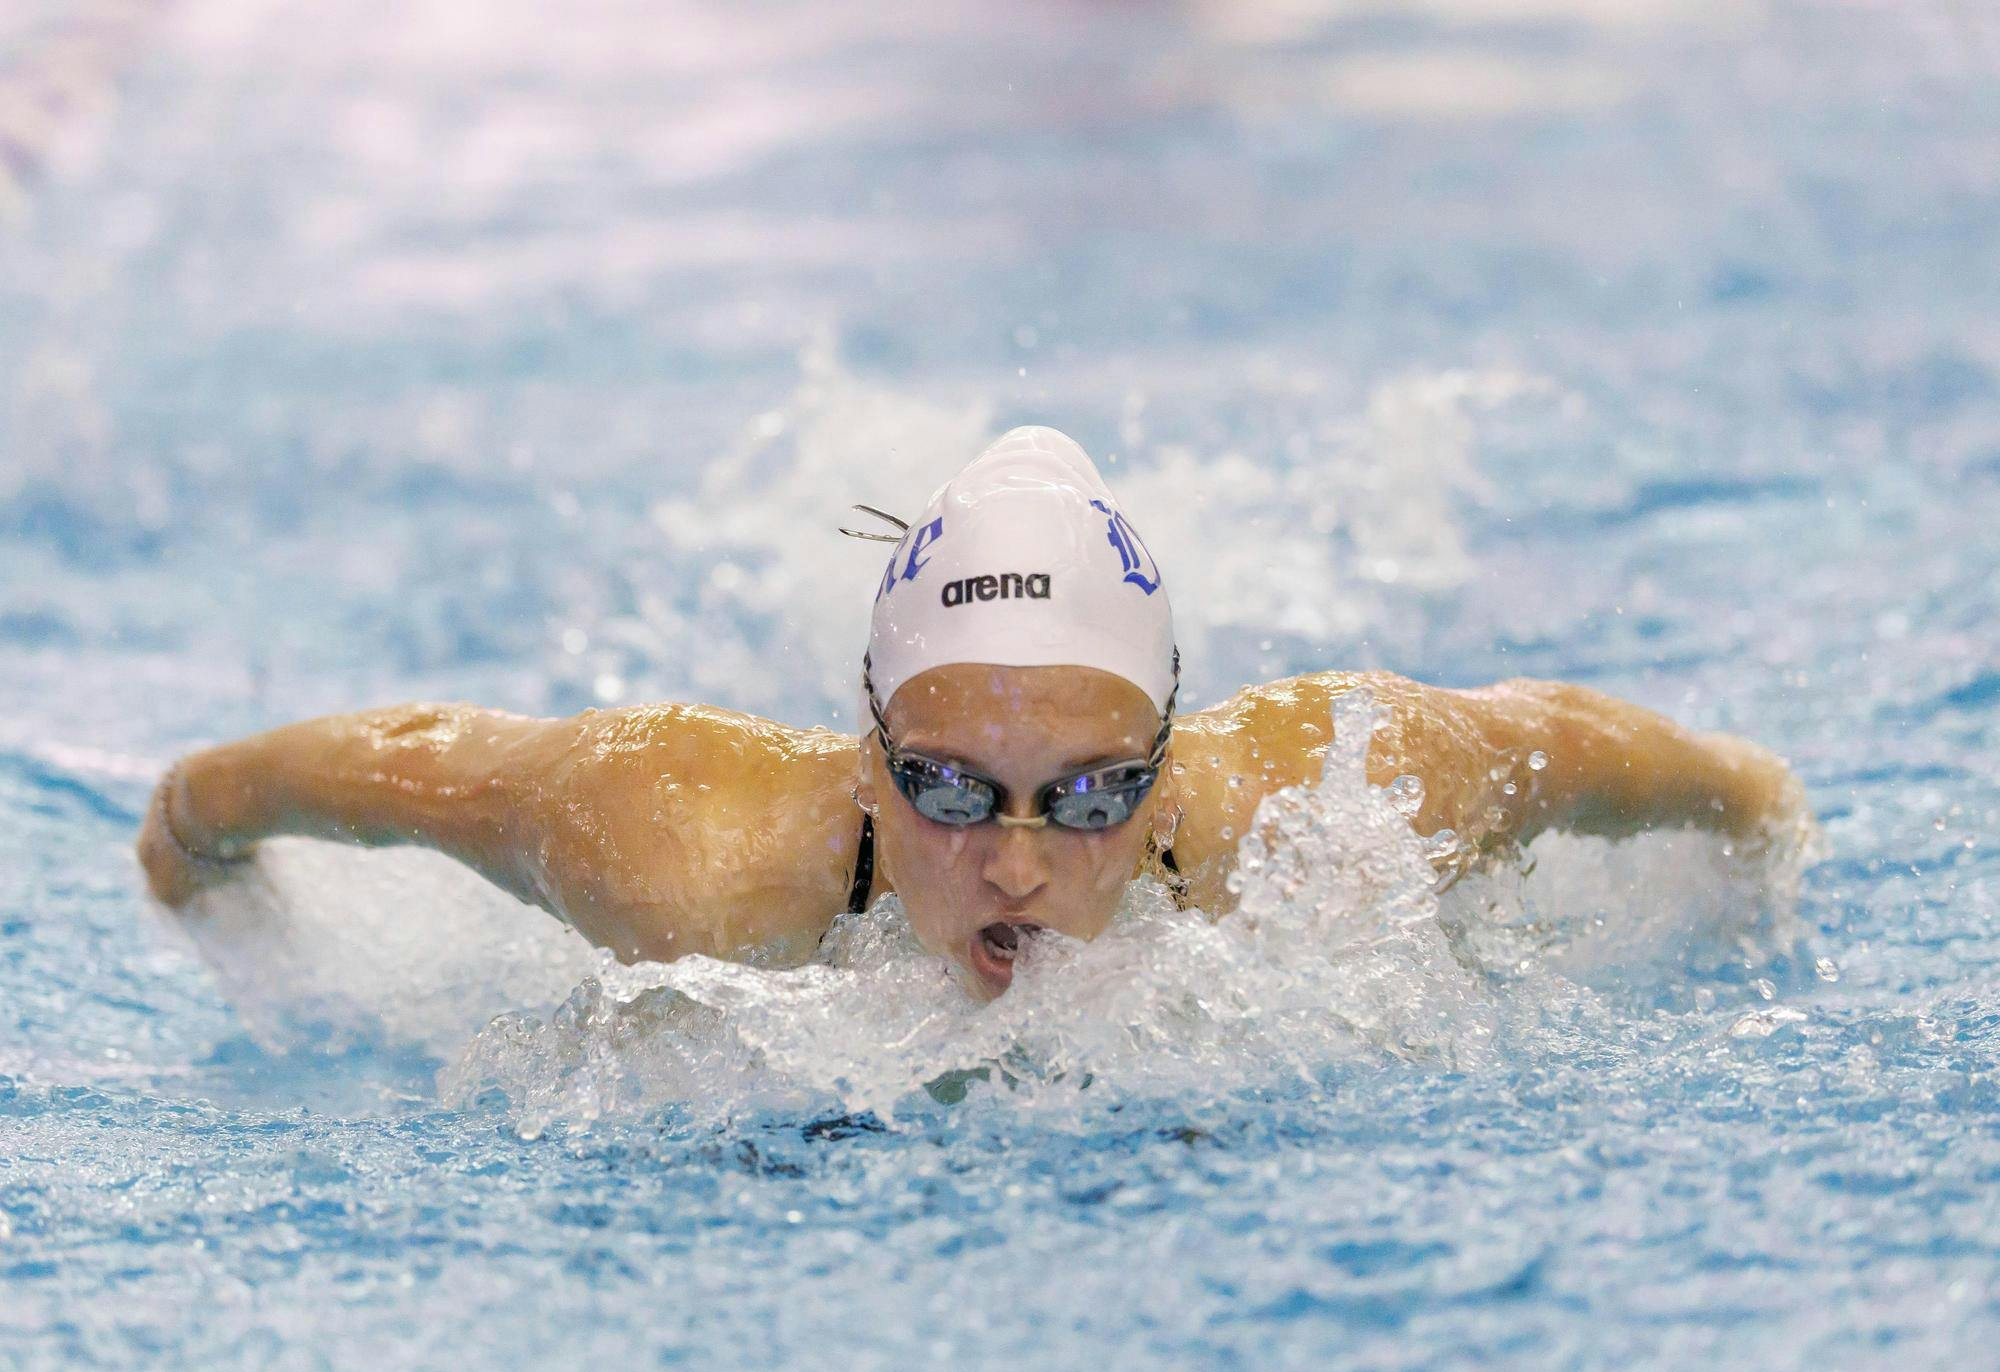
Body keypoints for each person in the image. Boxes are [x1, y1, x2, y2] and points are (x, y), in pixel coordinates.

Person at [137, 427, 1808, 999]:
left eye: (1086, 797)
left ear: (1166, 764)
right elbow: (410, 767)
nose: (1015, 866)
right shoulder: (681, 848)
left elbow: (1583, 749)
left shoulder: (1331, 805)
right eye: (948, 788)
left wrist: (1757, 815)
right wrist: (189, 831)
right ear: (865, 750)